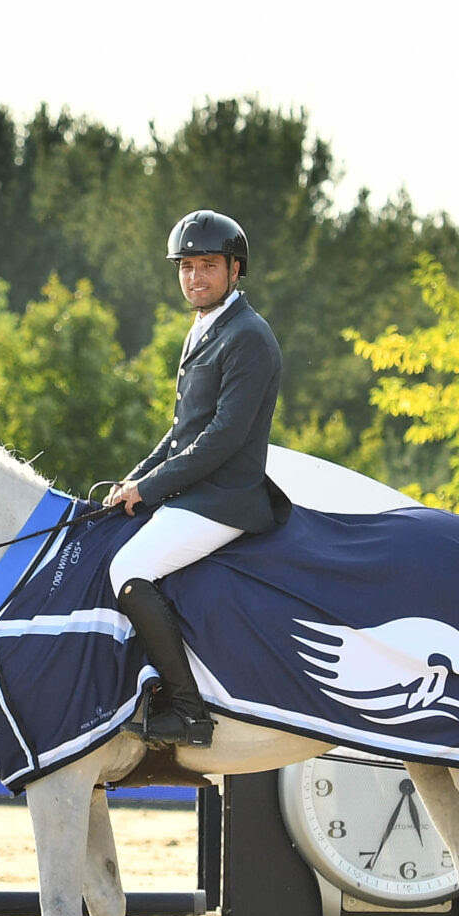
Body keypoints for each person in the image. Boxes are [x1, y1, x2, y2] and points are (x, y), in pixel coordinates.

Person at [105, 210, 283, 747]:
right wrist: (131, 481)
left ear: (234, 269)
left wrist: (153, 489)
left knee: (130, 565)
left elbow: (223, 439)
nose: (195, 277)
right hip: (197, 490)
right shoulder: (204, 328)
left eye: (207, 265)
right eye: (186, 266)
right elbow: (181, 432)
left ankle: (188, 711)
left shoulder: (248, 335)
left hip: (227, 498)